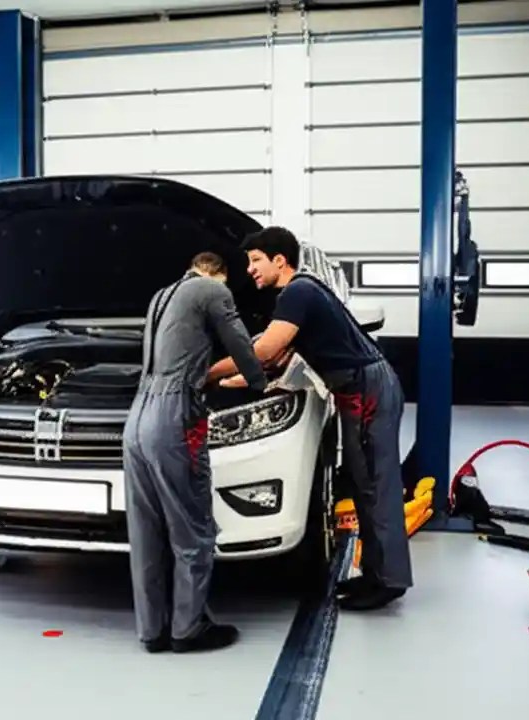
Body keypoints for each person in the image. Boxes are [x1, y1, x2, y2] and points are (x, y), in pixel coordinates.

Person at [208, 226, 413, 610]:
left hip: (367, 390)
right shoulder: (297, 294)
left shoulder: (298, 291)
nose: (249, 270)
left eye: (255, 260)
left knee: (375, 484)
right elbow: (276, 358)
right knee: (364, 482)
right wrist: (234, 379)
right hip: (358, 389)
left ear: (279, 260)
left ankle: (388, 582)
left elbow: (267, 351)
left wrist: (208, 373)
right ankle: (374, 575)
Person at [123, 250, 270, 654]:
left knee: (147, 532)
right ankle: (188, 629)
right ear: (216, 274)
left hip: (135, 420)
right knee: (193, 529)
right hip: (175, 418)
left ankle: (152, 631)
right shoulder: (212, 290)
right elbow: (240, 342)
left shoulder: (160, 296)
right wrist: (260, 383)